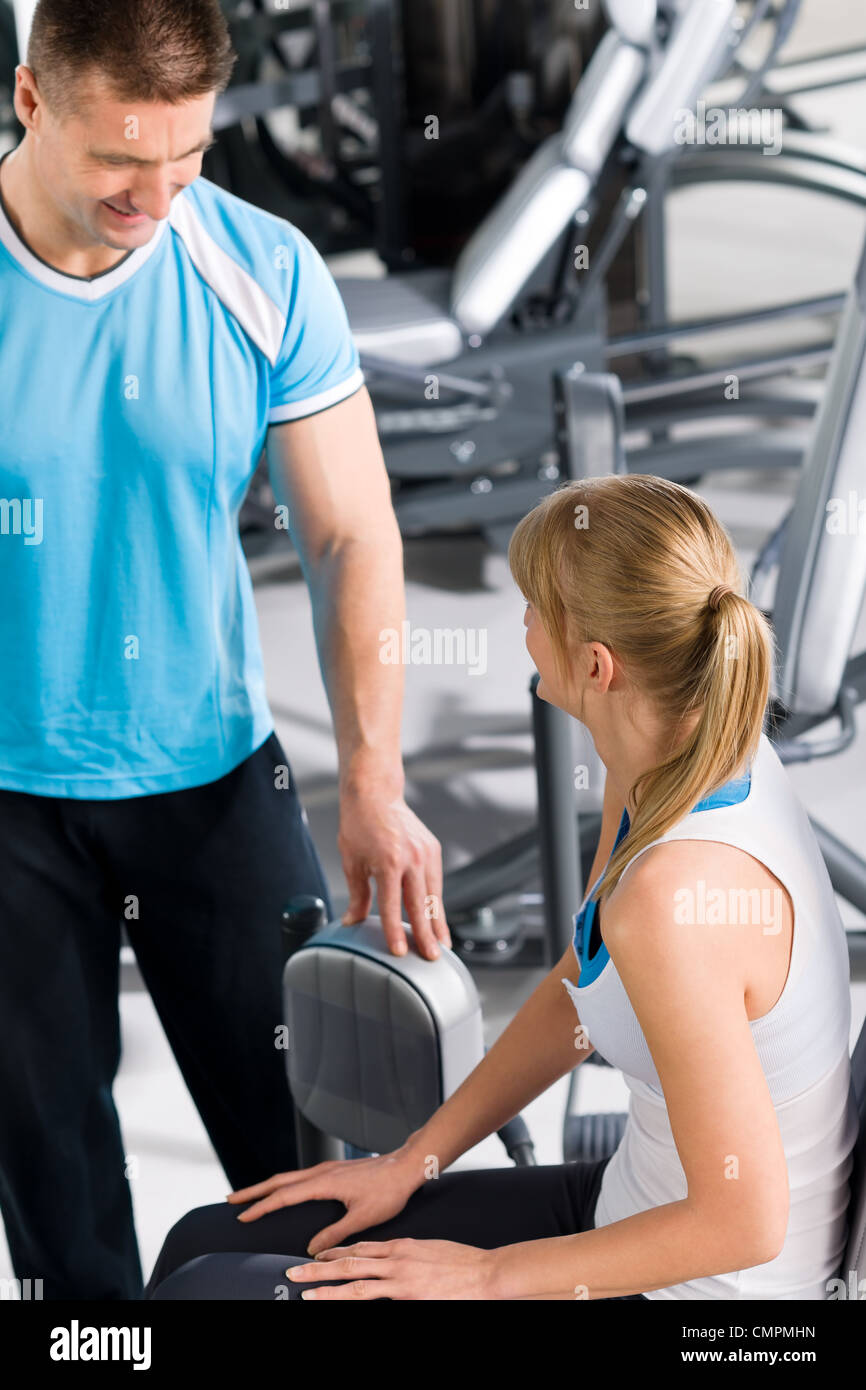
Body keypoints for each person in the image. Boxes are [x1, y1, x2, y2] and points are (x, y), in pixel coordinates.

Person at [144, 473, 860, 1301]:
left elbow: (743, 1225)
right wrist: (419, 1157)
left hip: (708, 1301)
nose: (518, 624)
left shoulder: (676, 897)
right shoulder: (675, 753)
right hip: (626, 1207)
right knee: (199, 1242)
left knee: (206, 1296)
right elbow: (582, 985)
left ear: (598, 665)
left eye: (532, 607)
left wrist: (487, 1277)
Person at [0, 0, 450, 1302]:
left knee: (316, 1175)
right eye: (119, 162)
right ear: (31, 101)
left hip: (210, 776)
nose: (155, 195)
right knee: (61, 1210)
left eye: (185, 159)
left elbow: (353, 531)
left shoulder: (262, 269)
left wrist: (370, 773)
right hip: (10, 803)